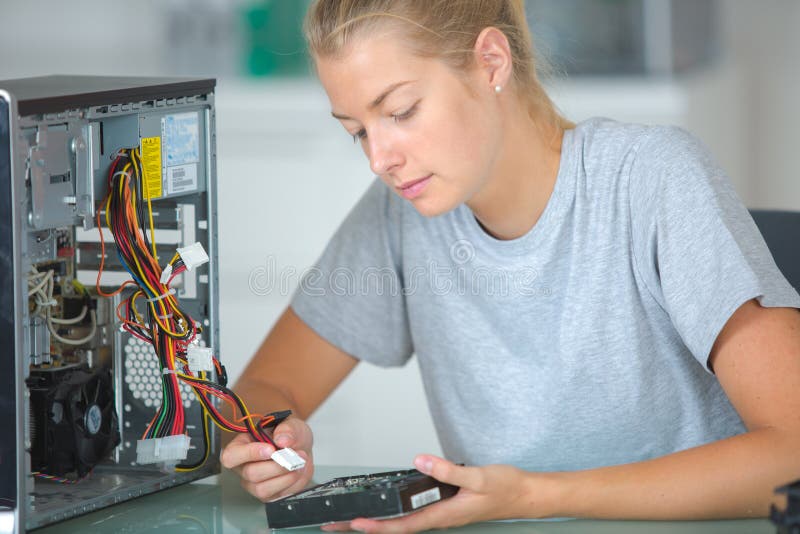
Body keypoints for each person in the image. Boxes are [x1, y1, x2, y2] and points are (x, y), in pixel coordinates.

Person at [221, 1, 800, 531]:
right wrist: (269, 442)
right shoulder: (399, 215)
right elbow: (264, 390)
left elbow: (793, 449)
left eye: (401, 111)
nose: (380, 159)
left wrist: (534, 496)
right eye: (357, 133)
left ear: (491, 62)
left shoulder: (650, 178)